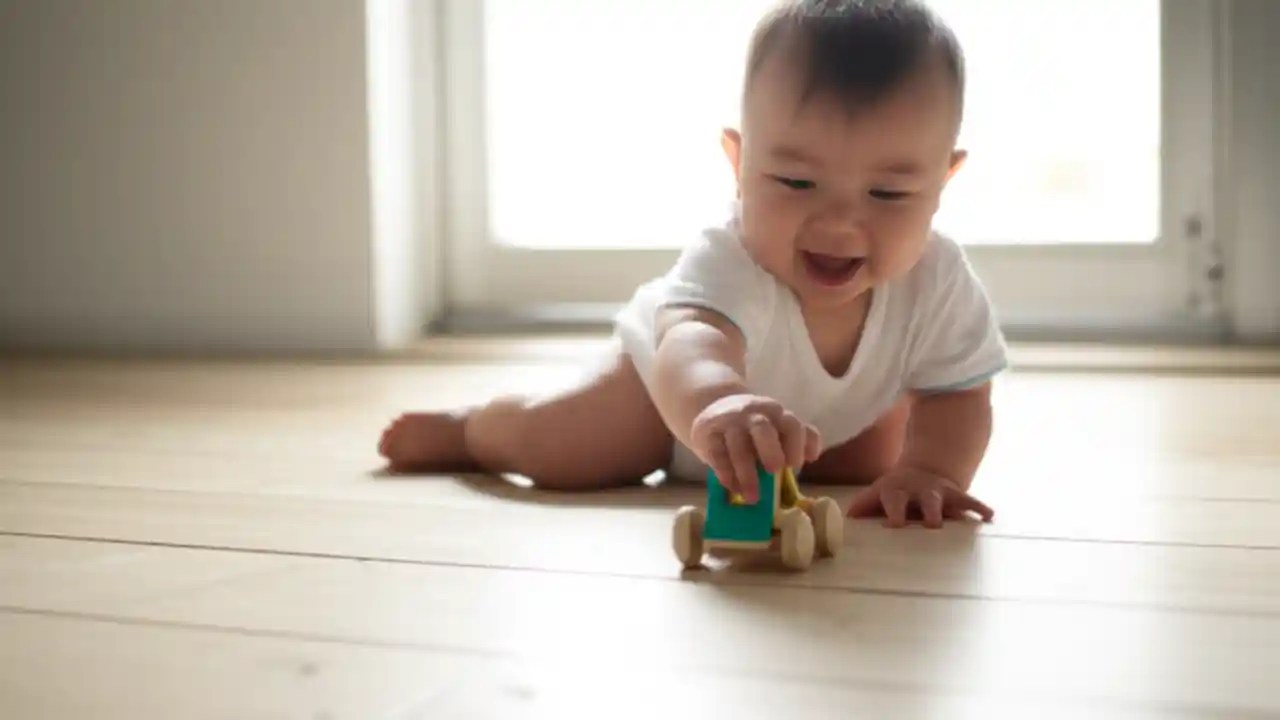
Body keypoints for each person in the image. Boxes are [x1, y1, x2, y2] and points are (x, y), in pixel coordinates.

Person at [378, 0, 1007, 528]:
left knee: (884, 454)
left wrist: (931, 472)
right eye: (794, 181)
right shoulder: (732, 260)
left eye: (889, 194)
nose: (840, 224)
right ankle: (474, 431)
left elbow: (958, 394)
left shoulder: (939, 280)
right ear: (739, 163)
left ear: (944, 180)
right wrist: (718, 402)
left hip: (822, 428)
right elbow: (693, 345)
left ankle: (836, 452)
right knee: (567, 450)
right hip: (669, 402)